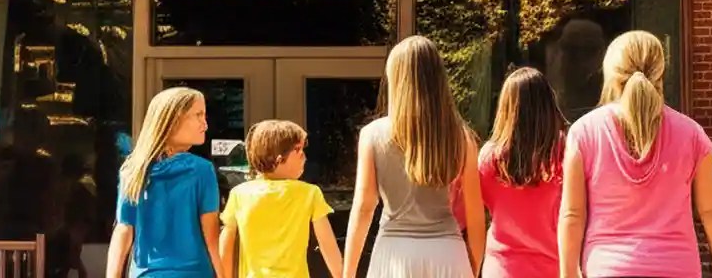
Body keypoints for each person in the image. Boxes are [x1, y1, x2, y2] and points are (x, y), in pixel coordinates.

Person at [558, 30, 712, 278]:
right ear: (660, 71)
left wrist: (567, 274)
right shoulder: (692, 134)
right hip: (677, 269)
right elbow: (711, 212)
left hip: (609, 269)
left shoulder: (584, 132)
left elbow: (573, 215)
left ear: (612, 72)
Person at [342, 35, 485, 278]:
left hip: (393, 254)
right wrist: (471, 267)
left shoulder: (372, 135)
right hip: (447, 253)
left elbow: (364, 208)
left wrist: (348, 273)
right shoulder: (461, 137)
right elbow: (475, 215)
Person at [107, 87, 225, 278]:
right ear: (173, 120)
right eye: (198, 115)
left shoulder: (133, 170)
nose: (205, 124)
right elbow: (211, 238)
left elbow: (123, 230)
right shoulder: (202, 170)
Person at [463, 67, 565, 278]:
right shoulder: (564, 155)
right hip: (552, 269)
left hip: (501, 269)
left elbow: (479, 209)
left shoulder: (489, 159)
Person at [218, 120, 343, 278]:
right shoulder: (309, 194)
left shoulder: (239, 194)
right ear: (278, 157)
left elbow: (226, 245)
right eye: (298, 150)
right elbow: (328, 244)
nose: (304, 157)